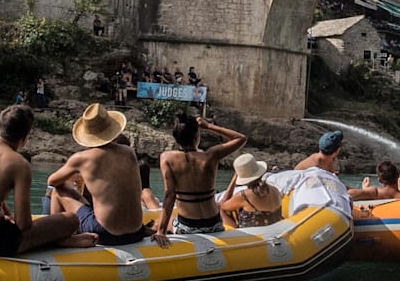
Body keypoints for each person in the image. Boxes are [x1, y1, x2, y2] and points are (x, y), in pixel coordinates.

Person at [0, 105, 95, 256]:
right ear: (25, 137)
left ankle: (56, 240)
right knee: (71, 220)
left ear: (0, 127)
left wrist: (7, 215)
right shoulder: (19, 164)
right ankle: (59, 241)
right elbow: (23, 225)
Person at [47, 104, 148, 246]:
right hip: (137, 232)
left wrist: (74, 180)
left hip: (106, 234)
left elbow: (52, 181)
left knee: (58, 191)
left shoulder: (82, 158)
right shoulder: (128, 152)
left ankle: (57, 239)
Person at [153, 114, 247, 245]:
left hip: (188, 227)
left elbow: (170, 195)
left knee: (157, 223)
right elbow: (241, 138)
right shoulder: (211, 155)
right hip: (214, 225)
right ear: (197, 136)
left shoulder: (167, 158)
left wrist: (161, 231)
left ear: (176, 138)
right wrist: (208, 126)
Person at [220, 153, 283, 228]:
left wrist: (234, 179)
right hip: (275, 230)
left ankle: (233, 231)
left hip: (253, 234)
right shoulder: (274, 189)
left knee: (220, 209)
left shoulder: (244, 196)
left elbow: (223, 205)